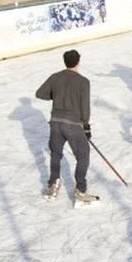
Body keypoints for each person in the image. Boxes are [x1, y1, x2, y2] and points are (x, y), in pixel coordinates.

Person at [35, 49, 97, 203]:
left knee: (56, 154)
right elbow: (85, 107)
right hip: (73, 124)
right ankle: (80, 191)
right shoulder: (83, 81)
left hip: (55, 123)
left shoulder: (55, 77)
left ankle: (53, 183)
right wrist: (86, 127)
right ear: (78, 61)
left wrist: (56, 94)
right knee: (83, 156)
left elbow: (40, 93)